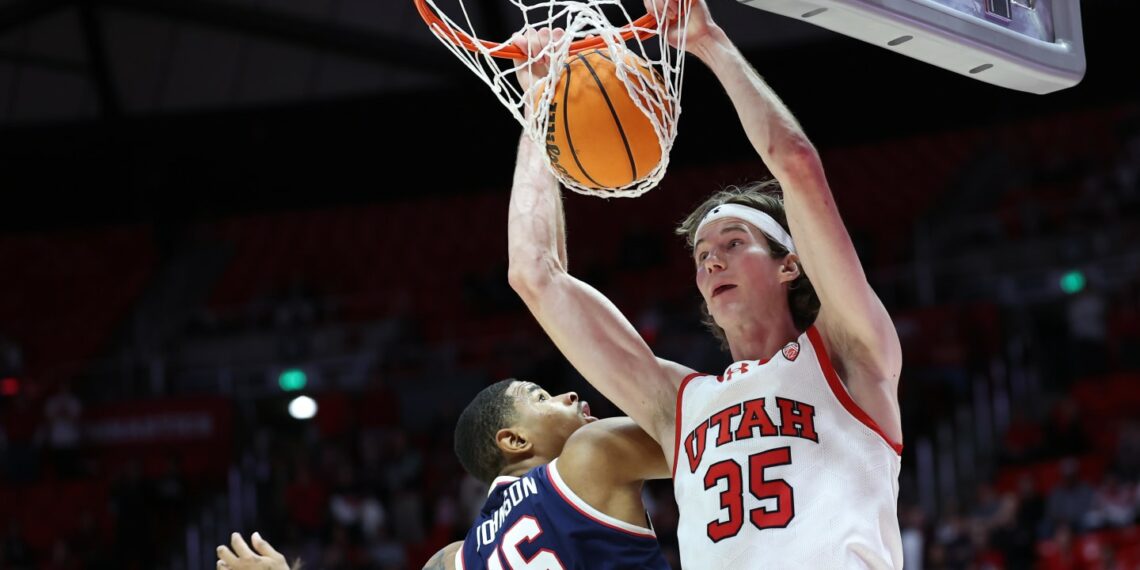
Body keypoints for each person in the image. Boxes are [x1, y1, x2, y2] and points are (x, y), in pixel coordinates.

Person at [506, 0, 904, 567]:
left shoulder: (848, 355)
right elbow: (533, 274)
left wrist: (708, 41)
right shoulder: (680, 403)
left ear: (789, 264)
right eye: (702, 254)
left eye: (734, 243)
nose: (712, 261)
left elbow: (794, 161)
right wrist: (540, 103)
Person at [216, 379, 670, 570]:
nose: (569, 394)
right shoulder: (594, 452)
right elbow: (713, 440)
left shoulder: (453, 559)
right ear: (513, 441)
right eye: (541, 396)